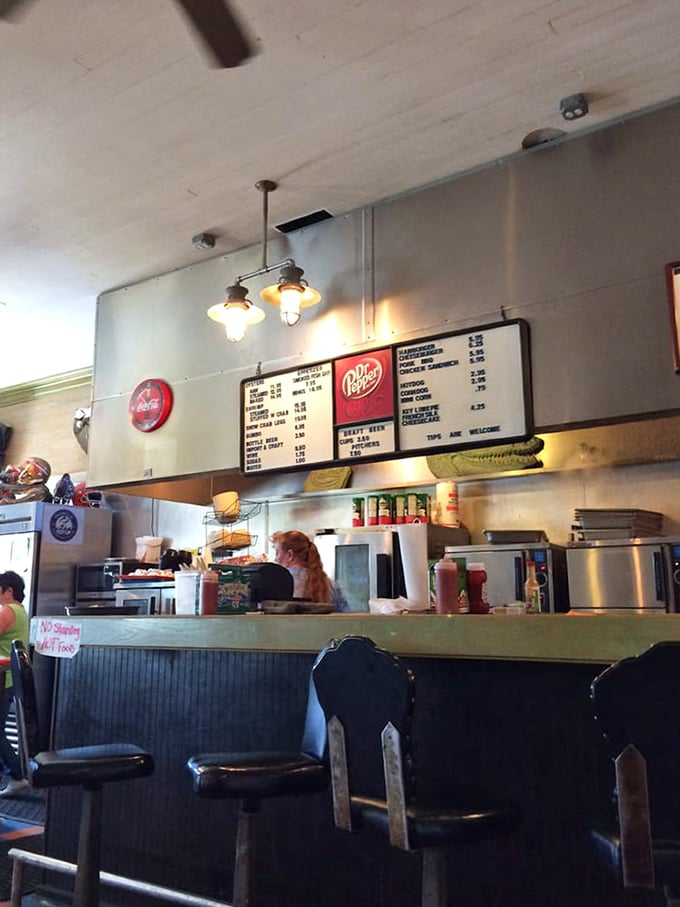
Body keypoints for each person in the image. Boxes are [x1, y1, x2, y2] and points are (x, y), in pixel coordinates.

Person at [0, 570, 29, 797]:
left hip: (3, 677)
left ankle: (17, 774)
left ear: (9, 590)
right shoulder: (20, 612)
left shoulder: (8, 611)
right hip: (8, 678)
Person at [271, 530, 349, 612]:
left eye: (277, 553)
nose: (275, 559)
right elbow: (346, 617)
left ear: (290, 555)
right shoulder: (330, 585)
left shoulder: (278, 584)